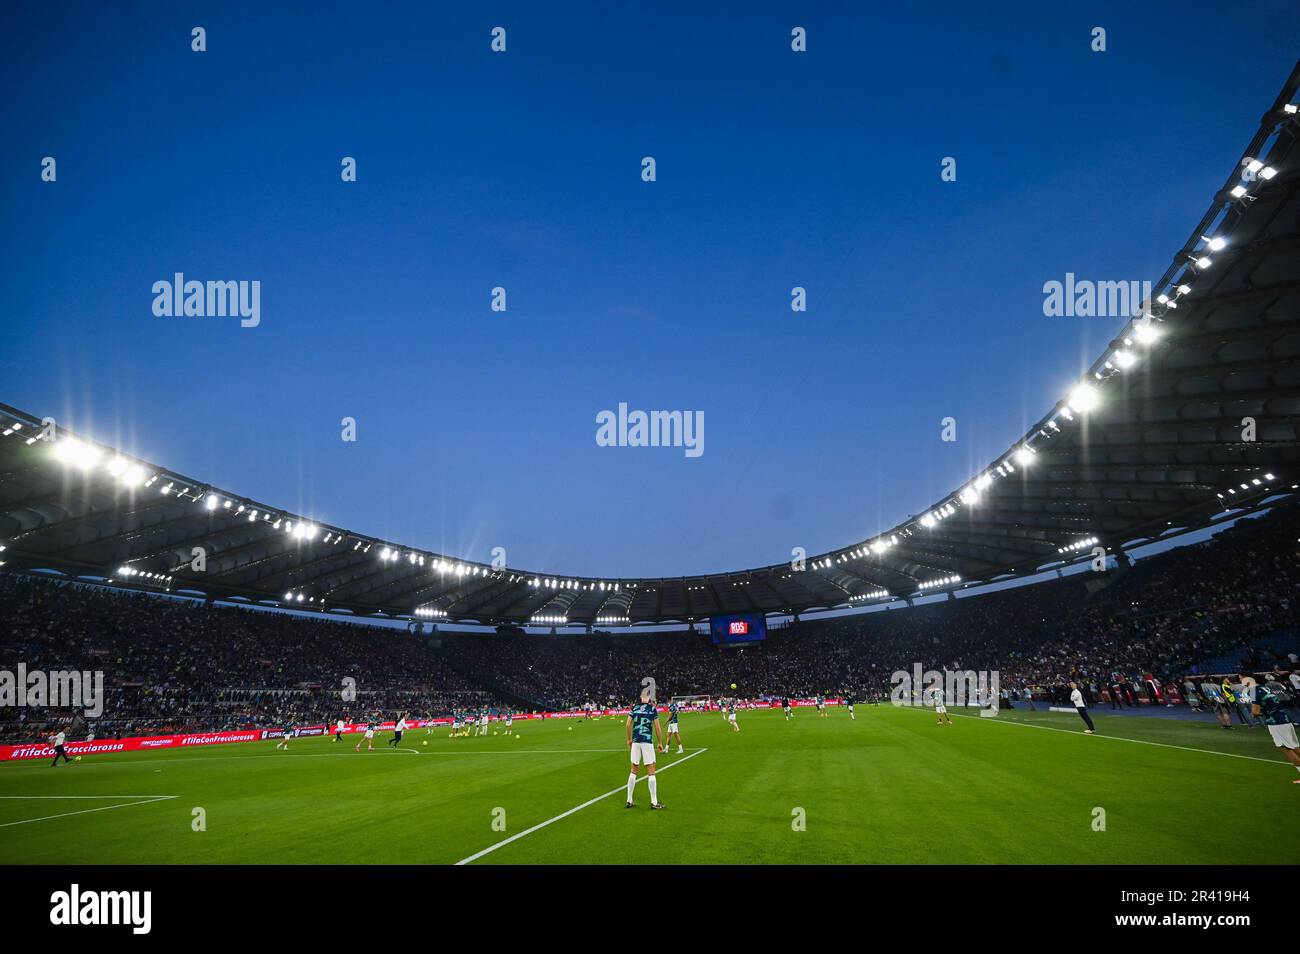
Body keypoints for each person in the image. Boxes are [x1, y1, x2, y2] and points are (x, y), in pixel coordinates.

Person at [1251, 674, 1300, 784]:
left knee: (1286, 748)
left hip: (1276, 723)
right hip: (1284, 719)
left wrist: (1256, 713)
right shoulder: (1267, 688)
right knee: (1294, 746)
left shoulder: (1256, 691)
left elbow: (1255, 712)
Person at [625, 689, 665, 809]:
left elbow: (627, 724)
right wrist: (660, 743)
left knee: (633, 770)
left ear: (640, 697)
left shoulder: (635, 708)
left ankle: (629, 800)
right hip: (647, 742)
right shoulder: (652, 709)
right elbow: (657, 727)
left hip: (636, 741)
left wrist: (629, 740)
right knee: (651, 770)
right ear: (648, 698)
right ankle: (654, 802)